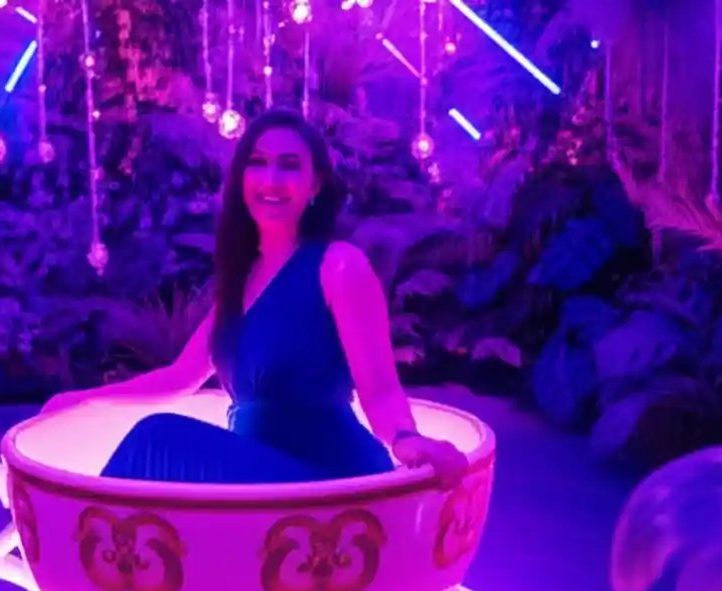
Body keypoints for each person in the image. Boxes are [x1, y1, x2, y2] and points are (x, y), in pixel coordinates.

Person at [41, 108, 467, 487]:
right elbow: (178, 378)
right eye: (258, 163)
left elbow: (381, 391)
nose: (271, 180)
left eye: (289, 166)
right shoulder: (240, 282)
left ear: (314, 184)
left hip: (329, 482)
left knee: (158, 440)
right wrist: (80, 399)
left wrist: (407, 439)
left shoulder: (339, 267)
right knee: (160, 456)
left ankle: (79, 549)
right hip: (261, 479)